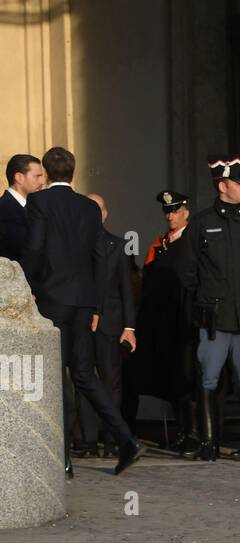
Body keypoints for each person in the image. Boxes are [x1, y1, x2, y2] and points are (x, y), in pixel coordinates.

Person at [21, 146, 143, 480]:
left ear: (46, 173)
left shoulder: (40, 202)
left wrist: (26, 283)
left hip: (53, 298)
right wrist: (97, 305)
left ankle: (62, 459)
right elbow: (98, 257)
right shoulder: (89, 208)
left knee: (56, 377)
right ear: (73, 172)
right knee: (85, 374)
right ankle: (127, 439)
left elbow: (34, 247)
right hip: (83, 300)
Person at [182, 153, 240, 462]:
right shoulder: (202, 224)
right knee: (209, 376)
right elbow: (188, 270)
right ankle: (208, 443)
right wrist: (207, 298)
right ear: (223, 186)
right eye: (239, 183)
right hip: (214, 318)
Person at [133, 190, 198, 455]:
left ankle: (195, 432)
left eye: (175, 211)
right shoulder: (159, 245)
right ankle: (181, 430)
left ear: (186, 212)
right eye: (167, 211)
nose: (170, 216)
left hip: (186, 320)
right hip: (163, 322)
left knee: (188, 377)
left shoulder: (193, 241)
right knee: (169, 377)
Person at [72, 193, 137, 458]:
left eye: (98, 209)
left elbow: (126, 292)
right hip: (82, 324)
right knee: (83, 381)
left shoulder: (118, 246)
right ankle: (86, 441)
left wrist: (129, 328)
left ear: (105, 214)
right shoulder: (74, 246)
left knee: (111, 384)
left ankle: (112, 441)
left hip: (111, 325)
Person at [0, 153, 44, 261]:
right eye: (37, 176)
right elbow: (23, 249)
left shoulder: (33, 207)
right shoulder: (5, 209)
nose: (42, 182)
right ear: (19, 177)